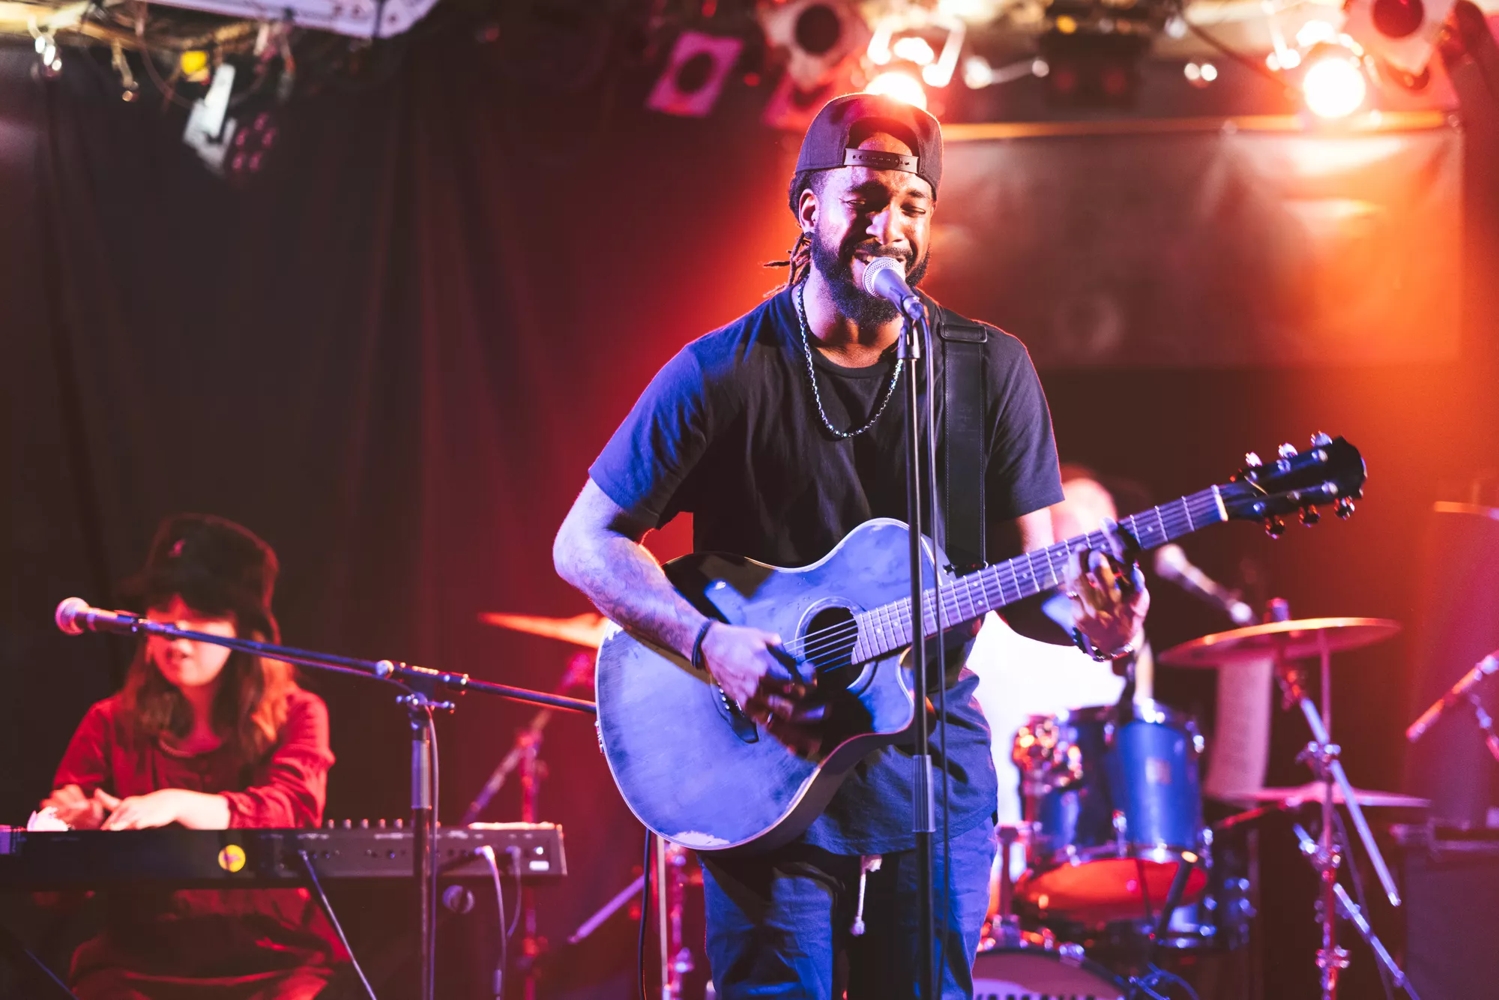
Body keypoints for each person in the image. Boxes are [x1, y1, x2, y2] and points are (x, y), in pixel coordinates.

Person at [552, 94, 1148, 999]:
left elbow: (1035, 584)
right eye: (867, 199)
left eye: (913, 206)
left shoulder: (985, 371)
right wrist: (710, 647)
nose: (891, 227)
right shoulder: (723, 370)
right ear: (809, 209)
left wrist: (1102, 627)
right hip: (765, 769)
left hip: (930, 771)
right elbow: (585, 542)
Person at [41, 513, 349, 1000]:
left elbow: (292, 814)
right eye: (162, 608)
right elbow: (54, 870)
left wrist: (178, 803)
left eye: (202, 611)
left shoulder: (299, 712)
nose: (176, 630)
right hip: (140, 961)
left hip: (273, 958)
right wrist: (68, 824)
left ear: (244, 628)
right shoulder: (109, 720)